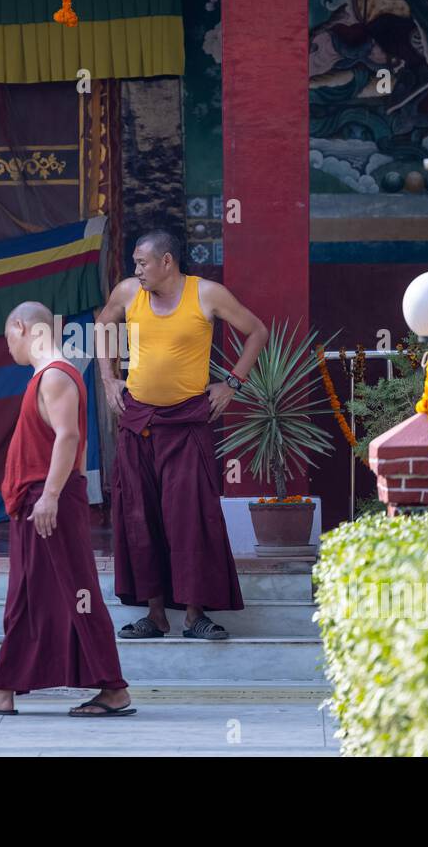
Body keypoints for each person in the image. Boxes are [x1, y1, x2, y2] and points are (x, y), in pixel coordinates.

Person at [0, 301, 134, 717]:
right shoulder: (49, 375)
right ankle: (5, 688)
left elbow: (68, 438)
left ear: (21, 327)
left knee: (77, 589)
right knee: (28, 596)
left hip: (49, 502)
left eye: (7, 338)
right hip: (39, 501)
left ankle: (114, 690)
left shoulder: (54, 376)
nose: (7, 349)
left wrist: (50, 496)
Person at [97, 231, 268, 640]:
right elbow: (103, 324)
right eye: (135, 263)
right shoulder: (127, 293)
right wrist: (108, 378)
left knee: (190, 517)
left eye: (143, 263)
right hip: (138, 422)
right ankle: (154, 614)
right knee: (141, 516)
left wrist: (231, 383)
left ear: (167, 262)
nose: (136, 270)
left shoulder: (207, 294)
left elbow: (257, 331)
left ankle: (195, 615)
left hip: (188, 421)